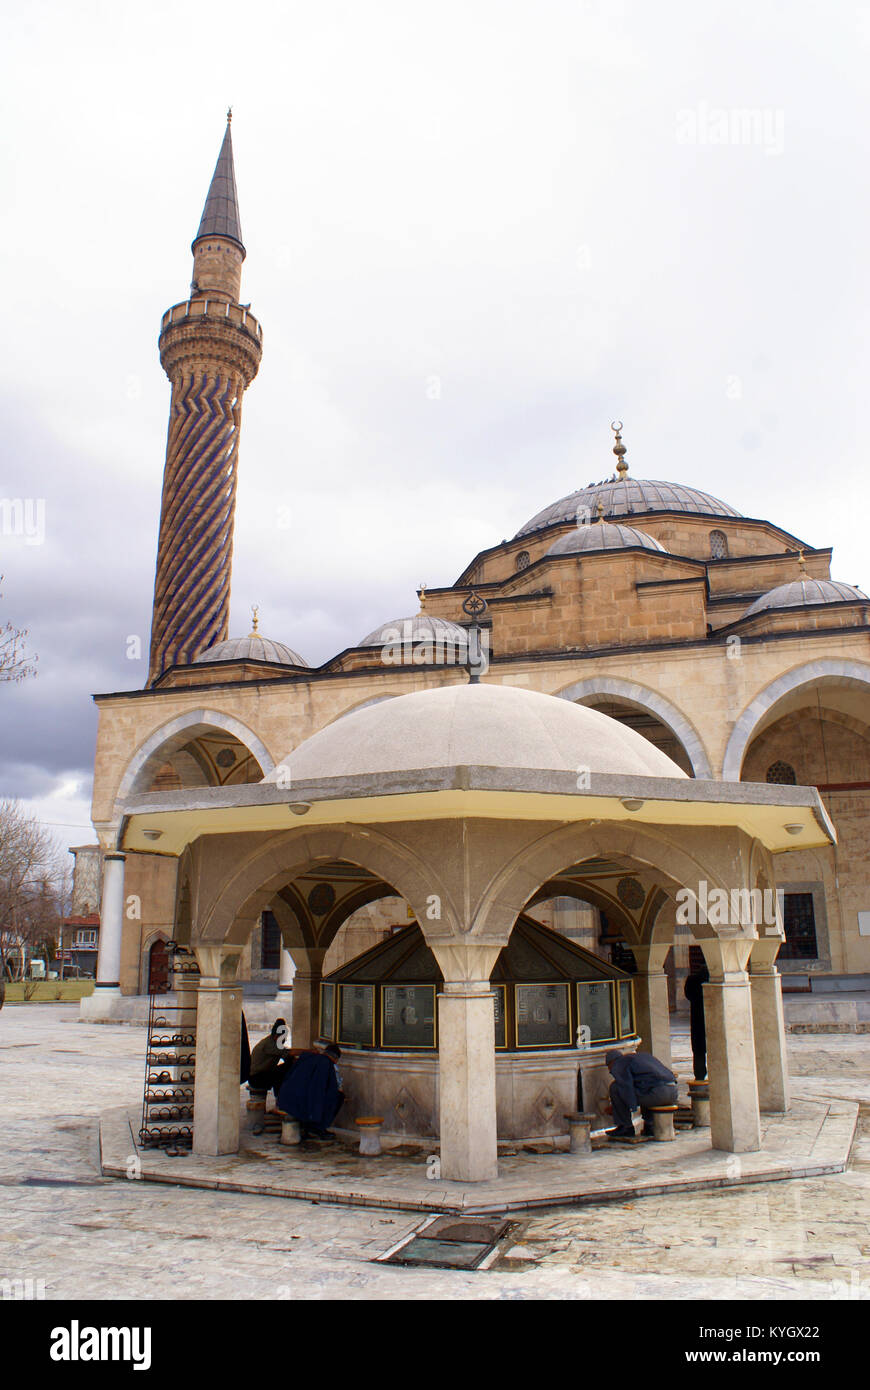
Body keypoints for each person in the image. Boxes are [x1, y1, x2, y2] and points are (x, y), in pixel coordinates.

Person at [276, 1043, 344, 1141]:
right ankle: (317, 1128)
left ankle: (307, 1125)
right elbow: (324, 1090)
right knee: (337, 1097)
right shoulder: (326, 1064)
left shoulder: (308, 1058)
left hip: (285, 1100)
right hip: (299, 1104)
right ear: (335, 1058)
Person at [605, 1049, 678, 1140]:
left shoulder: (620, 1064)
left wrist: (620, 1108)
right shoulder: (641, 1057)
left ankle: (625, 1127)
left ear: (611, 1063)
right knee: (643, 1089)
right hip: (673, 1092)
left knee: (615, 1087)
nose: (611, 1071)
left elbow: (625, 1087)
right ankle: (649, 1125)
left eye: (609, 1069)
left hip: (658, 1094)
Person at [683, 964, 710, 1080]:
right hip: (712, 1018)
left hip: (697, 1019)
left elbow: (688, 995)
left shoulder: (692, 980)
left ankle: (699, 1076)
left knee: (698, 1051)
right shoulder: (712, 980)